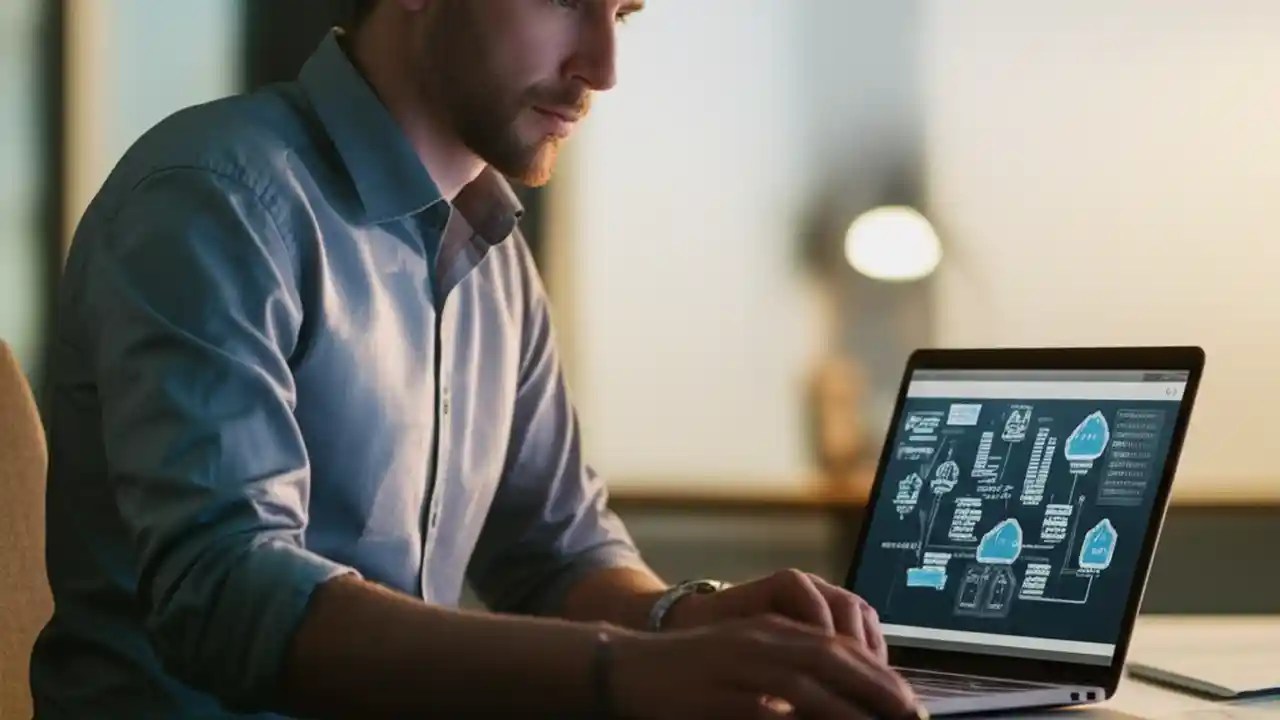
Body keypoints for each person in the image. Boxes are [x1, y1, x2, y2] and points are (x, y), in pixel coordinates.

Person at [32, 1, 923, 717]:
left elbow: (558, 554)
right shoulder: (216, 201)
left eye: (626, 13)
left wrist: (690, 619)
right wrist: (627, 673)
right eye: (567, 4)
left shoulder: (492, 253)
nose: (603, 69)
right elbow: (225, 595)